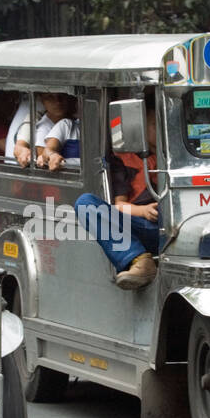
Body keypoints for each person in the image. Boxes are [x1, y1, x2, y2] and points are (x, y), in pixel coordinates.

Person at [74, 96, 158, 289]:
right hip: (143, 225)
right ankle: (138, 259)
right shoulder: (124, 160)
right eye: (154, 124)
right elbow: (120, 206)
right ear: (140, 128)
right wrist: (143, 212)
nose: (159, 129)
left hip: (177, 228)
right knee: (86, 203)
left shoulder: (180, 154)